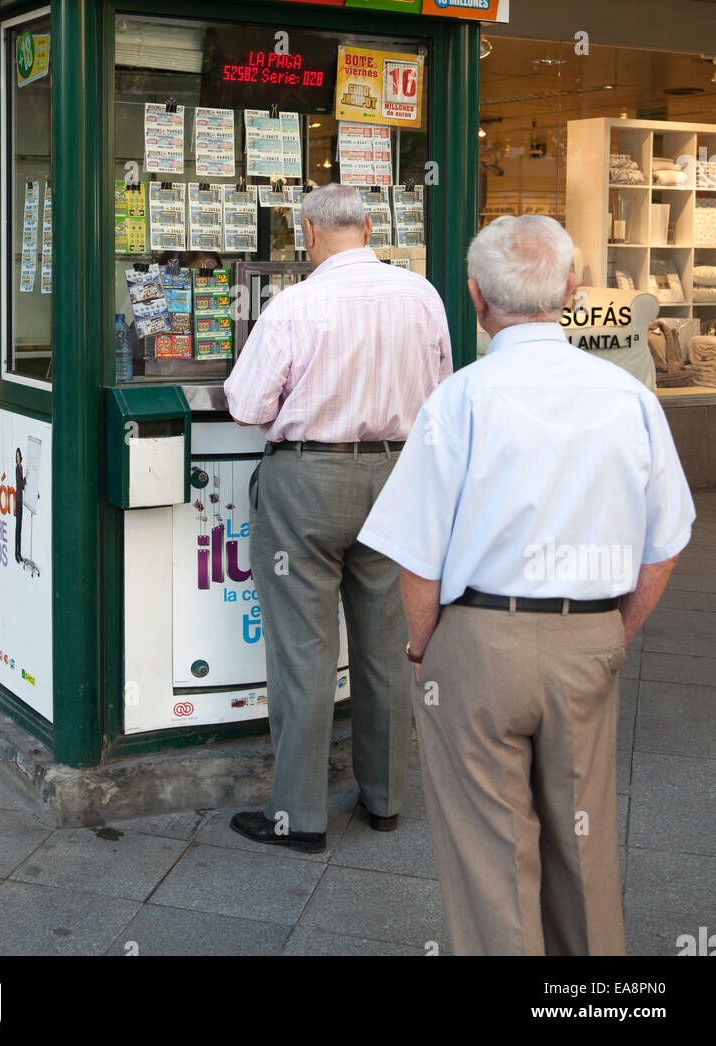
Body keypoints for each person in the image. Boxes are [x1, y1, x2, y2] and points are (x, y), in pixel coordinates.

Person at [359, 214, 695, 955]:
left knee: (490, 852)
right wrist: (612, 632)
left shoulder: (461, 398)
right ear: (571, 291)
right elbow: (666, 542)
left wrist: (424, 649)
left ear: (476, 298)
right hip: (589, 636)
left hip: (478, 640)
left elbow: (417, 555)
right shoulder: (629, 398)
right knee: (585, 838)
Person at [224, 184, 452, 852]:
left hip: (309, 481)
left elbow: (246, 403)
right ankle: (385, 801)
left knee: (304, 650)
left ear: (309, 234)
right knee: (386, 643)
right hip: (397, 474)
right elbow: (440, 391)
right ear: (370, 227)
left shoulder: (295, 302)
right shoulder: (422, 295)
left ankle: (299, 816)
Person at [15, 447, 27, 564]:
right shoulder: (16, 468)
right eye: (16, 456)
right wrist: (26, 477)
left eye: (19, 456)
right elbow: (20, 483)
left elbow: (22, 485)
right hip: (18, 500)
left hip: (21, 499)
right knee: (17, 527)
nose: (17, 458)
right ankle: (16, 553)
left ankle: (19, 552)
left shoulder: (21, 467)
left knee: (20, 527)